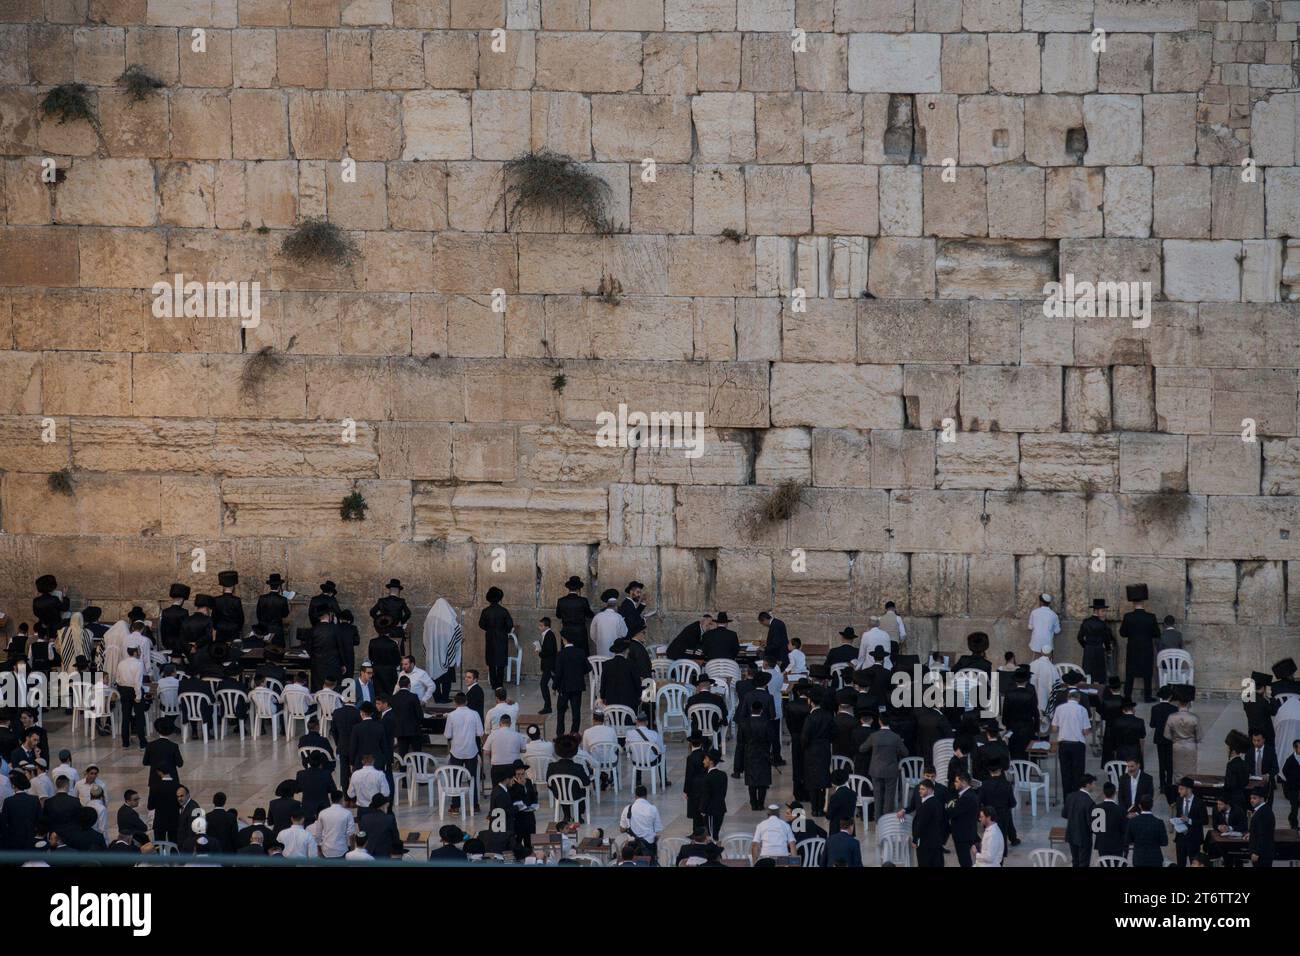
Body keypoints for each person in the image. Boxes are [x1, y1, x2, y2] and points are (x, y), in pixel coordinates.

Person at [861, 710, 907, 815]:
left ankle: (878, 821)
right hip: (891, 770)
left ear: (879, 721)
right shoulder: (896, 737)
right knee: (889, 798)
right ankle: (886, 823)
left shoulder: (874, 736)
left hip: (876, 770)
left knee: (877, 797)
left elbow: (862, 748)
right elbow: (905, 752)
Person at [1120, 584, 1159, 702]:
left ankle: (1127, 696)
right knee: (1147, 672)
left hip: (1132, 648)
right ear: (1143, 601)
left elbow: (1122, 633)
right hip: (1146, 648)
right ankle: (1147, 696)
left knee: (1130, 673)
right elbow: (1157, 633)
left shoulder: (1128, 617)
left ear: (1132, 602)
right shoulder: (1151, 617)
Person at [444, 692, 484, 812]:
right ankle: (474, 805)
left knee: (456, 778)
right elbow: (480, 733)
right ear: (466, 701)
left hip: (456, 751)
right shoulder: (474, 714)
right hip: (471, 750)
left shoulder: (451, 715)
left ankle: (455, 805)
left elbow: (447, 734)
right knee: (472, 778)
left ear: (455, 703)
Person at [422, 598, 463, 704]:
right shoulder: (449, 620)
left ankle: (437, 698)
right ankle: (445, 698)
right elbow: (457, 634)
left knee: (433, 675)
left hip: (432, 654)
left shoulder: (429, 619)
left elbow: (424, 637)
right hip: (446, 654)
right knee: (447, 677)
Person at [1051, 688, 1091, 795]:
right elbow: (1086, 731)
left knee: (1065, 773)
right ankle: (1076, 798)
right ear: (1078, 698)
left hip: (1064, 745)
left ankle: (1067, 799)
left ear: (1068, 697)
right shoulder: (1082, 710)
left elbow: (1054, 728)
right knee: (1078, 774)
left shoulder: (1059, 708)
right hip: (1078, 745)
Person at [801, 688, 834, 812]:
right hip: (824, 749)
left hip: (811, 750)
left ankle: (814, 808)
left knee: (811, 778)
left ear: (810, 701)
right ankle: (821, 807)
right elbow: (834, 732)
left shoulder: (810, 718)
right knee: (823, 777)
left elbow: (805, 736)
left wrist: (805, 747)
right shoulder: (828, 715)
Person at [552, 631, 590, 736]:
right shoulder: (580, 652)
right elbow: (588, 668)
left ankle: (560, 734)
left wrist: (554, 687)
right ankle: (574, 733)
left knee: (561, 711)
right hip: (577, 686)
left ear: (564, 640)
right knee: (576, 711)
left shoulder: (561, 654)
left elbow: (558, 673)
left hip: (564, 687)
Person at [741, 699, 772, 810]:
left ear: (751, 709)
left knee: (751, 780)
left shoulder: (744, 723)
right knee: (763, 780)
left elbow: (741, 741)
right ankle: (761, 803)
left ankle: (753, 803)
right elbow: (770, 739)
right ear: (761, 710)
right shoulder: (766, 722)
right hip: (763, 753)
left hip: (750, 753)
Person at [944, 769, 980, 867]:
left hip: (963, 835)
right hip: (967, 832)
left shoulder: (966, 797)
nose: (954, 784)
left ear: (963, 782)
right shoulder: (969, 794)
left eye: (956, 781)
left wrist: (948, 806)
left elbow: (951, 812)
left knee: (965, 861)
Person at [910, 777, 945, 867]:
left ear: (929, 790)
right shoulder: (937, 802)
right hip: (936, 841)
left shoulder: (926, 805)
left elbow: (921, 824)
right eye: (919, 789)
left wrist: (915, 839)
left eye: (922, 789)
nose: (920, 791)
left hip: (926, 843)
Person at [619, 784, 663, 857]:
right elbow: (657, 830)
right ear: (646, 796)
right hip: (648, 847)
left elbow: (621, 829)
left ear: (635, 796)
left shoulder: (627, 809)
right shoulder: (652, 809)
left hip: (632, 846)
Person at [1063, 773, 1097, 867]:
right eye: (1094, 784)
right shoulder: (1090, 802)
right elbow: (1093, 825)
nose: (1095, 786)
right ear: (1088, 784)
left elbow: (1065, 814)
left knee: (1075, 862)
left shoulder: (1070, 796)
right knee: (1084, 863)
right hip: (1084, 838)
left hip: (1071, 834)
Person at [1171, 776, 1206, 867]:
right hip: (1180, 837)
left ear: (1189, 789)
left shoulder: (1199, 802)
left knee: (1194, 863)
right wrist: (1177, 821)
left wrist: (1189, 820)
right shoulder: (1179, 800)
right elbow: (1179, 815)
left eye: (1181, 789)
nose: (1179, 791)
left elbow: (1205, 820)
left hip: (1194, 838)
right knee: (1180, 863)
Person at [1076, 598, 1113, 683]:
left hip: (1088, 651)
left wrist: (1086, 646)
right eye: (1103, 611)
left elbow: (1080, 637)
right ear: (1096, 611)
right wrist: (1108, 650)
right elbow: (1107, 639)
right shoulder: (1102, 624)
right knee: (1100, 676)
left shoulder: (1086, 622)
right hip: (1099, 651)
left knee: (1088, 674)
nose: (1105, 613)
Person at [484, 714, 528, 785]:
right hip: (513, 766)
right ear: (510, 724)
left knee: (497, 788)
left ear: (500, 723)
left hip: (497, 766)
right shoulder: (517, 735)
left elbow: (486, 752)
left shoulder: (492, 735)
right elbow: (524, 750)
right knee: (513, 789)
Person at [555, 576, 594, 656]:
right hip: (580, 631)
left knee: (566, 654)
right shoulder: (583, 601)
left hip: (566, 630)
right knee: (581, 654)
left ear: (569, 588)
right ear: (578, 589)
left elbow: (558, 615)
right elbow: (590, 615)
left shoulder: (561, 601)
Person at [1127, 794, 1168, 866]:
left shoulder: (1132, 822)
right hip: (1155, 859)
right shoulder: (1159, 822)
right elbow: (1164, 842)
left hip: (1139, 859)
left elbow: (1128, 840)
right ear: (1152, 805)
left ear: (1140, 806)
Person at [255, 574, 290, 647]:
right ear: (279, 586)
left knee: (265, 651)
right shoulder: (283, 599)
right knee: (278, 652)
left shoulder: (262, 598)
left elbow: (258, 614)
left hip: (264, 630)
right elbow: (285, 614)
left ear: (270, 585)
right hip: (277, 631)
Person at [1094, 782, 1127, 858]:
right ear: (1115, 793)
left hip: (1102, 844)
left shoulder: (1096, 808)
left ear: (1103, 793)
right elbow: (1124, 829)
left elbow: (1095, 829)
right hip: (1117, 844)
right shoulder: (1120, 810)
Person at [590, 589, 627, 658]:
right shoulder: (618, 617)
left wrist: (599, 642)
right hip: (615, 652)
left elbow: (592, 634)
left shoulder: (597, 616)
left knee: (603, 667)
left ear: (606, 605)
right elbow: (624, 633)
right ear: (616, 605)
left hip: (601, 650)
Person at [701, 748, 728, 839]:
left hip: (711, 811)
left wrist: (703, 810)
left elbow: (706, 796)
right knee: (715, 832)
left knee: (712, 836)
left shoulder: (707, 777)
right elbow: (723, 793)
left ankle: (714, 852)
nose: (703, 761)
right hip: (721, 808)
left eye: (705, 759)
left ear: (711, 761)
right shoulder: (723, 775)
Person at [1248, 788, 1275, 867]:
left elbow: (1263, 835)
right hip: (1263, 852)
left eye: (1254, 798)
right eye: (1251, 798)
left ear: (1262, 798)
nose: (1251, 800)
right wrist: (1251, 833)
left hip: (1262, 854)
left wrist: (1256, 852)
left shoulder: (1263, 813)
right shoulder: (1262, 810)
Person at [536, 617, 557, 714]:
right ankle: (564, 703)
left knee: (543, 684)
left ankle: (548, 706)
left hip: (549, 665)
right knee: (558, 683)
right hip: (550, 665)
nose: (539, 627)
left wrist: (540, 652)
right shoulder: (548, 634)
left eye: (541, 626)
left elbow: (548, 652)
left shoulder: (549, 635)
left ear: (546, 626)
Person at [1281, 738, 1300, 829]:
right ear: (1295, 749)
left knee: (1297, 805)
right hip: (1293, 787)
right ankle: (1294, 823)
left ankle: (1291, 817)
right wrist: (1290, 779)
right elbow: (1284, 770)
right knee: (1294, 806)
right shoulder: (1290, 760)